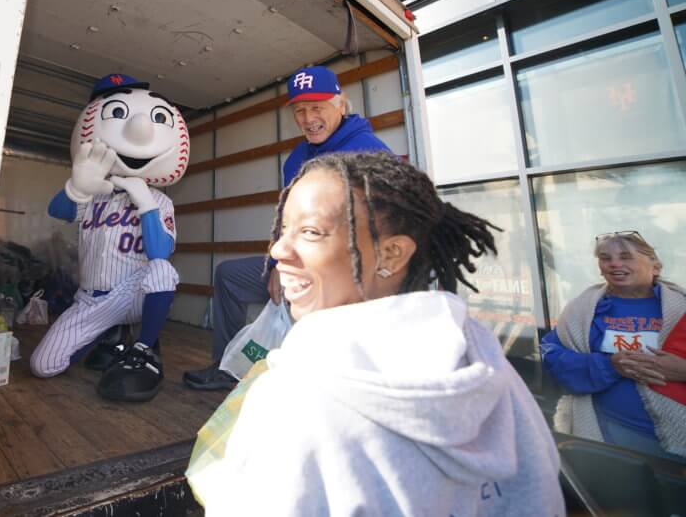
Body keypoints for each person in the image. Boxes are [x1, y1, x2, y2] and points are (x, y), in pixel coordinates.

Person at [186, 151, 565, 516]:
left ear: (392, 254)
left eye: (310, 232)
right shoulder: (486, 363)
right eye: (284, 229)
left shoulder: (291, 396)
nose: (278, 250)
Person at [184, 65, 390, 390]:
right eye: (300, 110)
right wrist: (278, 265)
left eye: (317, 107)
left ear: (341, 103)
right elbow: (288, 221)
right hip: (297, 264)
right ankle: (229, 367)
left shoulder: (369, 151)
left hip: (346, 274)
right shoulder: (296, 159)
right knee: (229, 275)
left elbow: (390, 224)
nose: (308, 118)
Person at [30, 73, 189, 403]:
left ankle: (144, 347)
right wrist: (76, 188)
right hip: (91, 301)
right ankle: (108, 334)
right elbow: (57, 210)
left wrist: (145, 204)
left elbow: (161, 252)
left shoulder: (159, 200)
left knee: (162, 270)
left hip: (131, 293)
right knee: (43, 365)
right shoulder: (95, 192)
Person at [540, 231, 686, 459]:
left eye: (626, 256)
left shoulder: (681, 308)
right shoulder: (582, 309)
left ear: (656, 267)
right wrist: (609, 365)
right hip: (611, 431)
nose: (614, 264)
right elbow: (551, 356)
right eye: (605, 258)